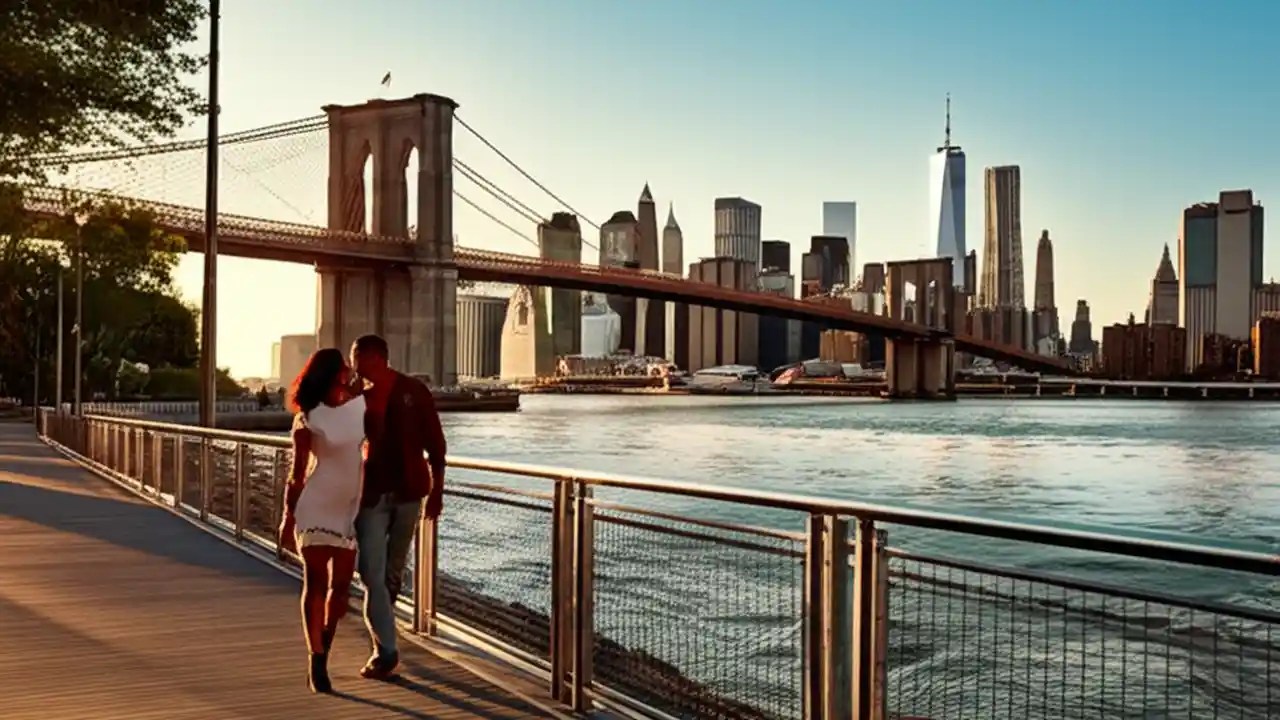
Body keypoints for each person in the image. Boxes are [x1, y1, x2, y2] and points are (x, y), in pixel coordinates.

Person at [349, 334, 447, 680]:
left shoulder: (413, 392)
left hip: (409, 494)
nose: (353, 365)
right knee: (370, 572)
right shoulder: (354, 396)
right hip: (370, 496)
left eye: (356, 357)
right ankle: (386, 650)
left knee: (391, 572)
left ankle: (383, 628)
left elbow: (435, 444)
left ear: (374, 357)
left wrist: (436, 492)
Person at [278, 348, 366, 694]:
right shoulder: (307, 418)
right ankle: (317, 661)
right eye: (344, 365)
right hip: (316, 506)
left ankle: (323, 650)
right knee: (315, 585)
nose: (349, 369)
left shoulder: (358, 409)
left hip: (350, 507)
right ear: (334, 373)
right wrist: (288, 518)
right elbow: (297, 475)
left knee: (341, 590)